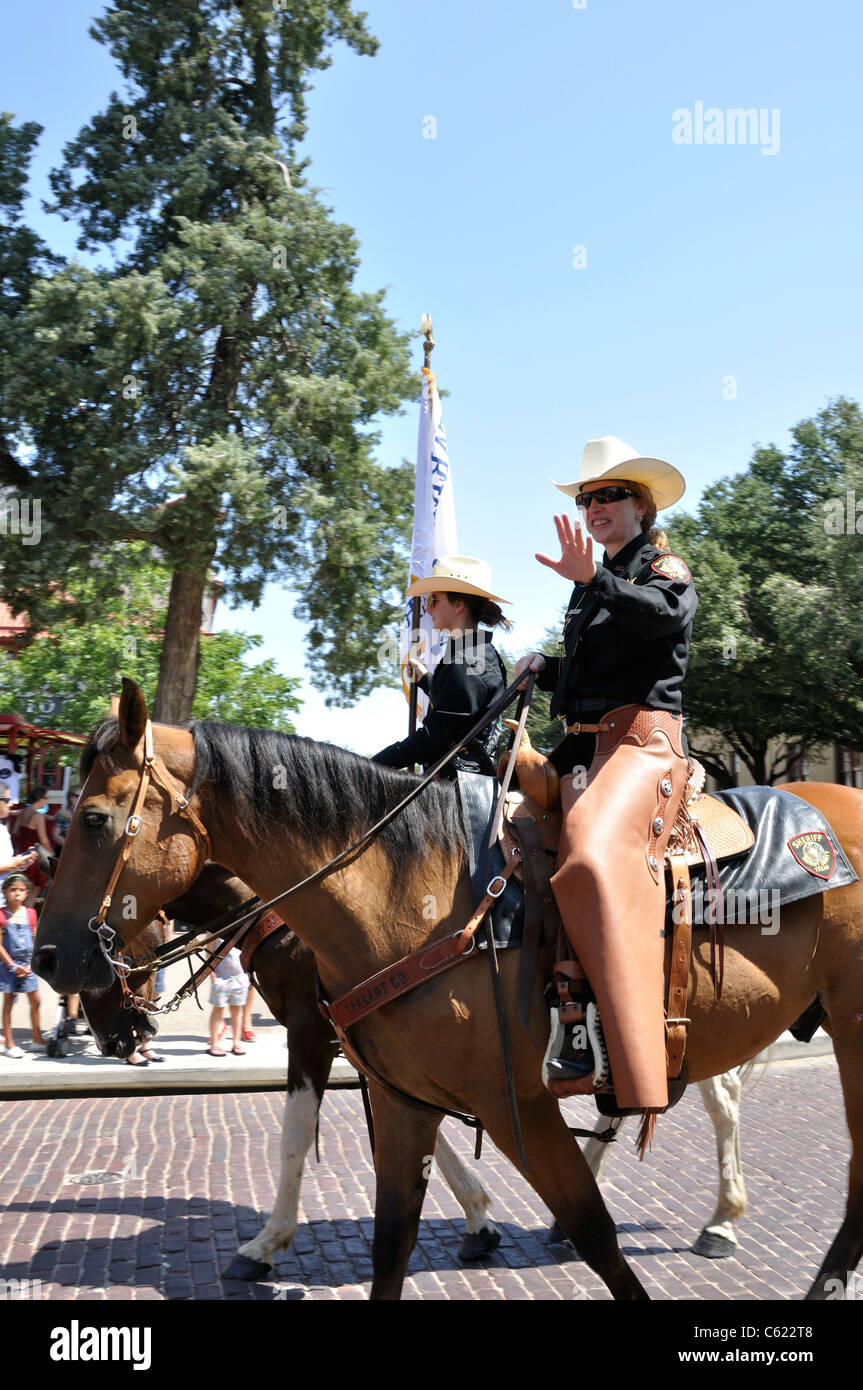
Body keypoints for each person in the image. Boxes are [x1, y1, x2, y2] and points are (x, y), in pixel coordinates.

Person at [514, 436, 698, 1119]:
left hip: (644, 744)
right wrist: (542, 667)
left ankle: (629, 1059)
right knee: (500, 823)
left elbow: (662, 623)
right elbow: (593, 675)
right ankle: (549, 998)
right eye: (586, 498)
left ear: (639, 506)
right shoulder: (591, 585)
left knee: (588, 849)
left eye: (607, 495)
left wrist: (592, 579)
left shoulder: (660, 565)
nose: (593, 507)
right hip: (582, 747)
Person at [373, 556, 511, 775]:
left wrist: (371, 767)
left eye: (434, 601)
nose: (429, 609)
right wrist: (427, 680)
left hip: (452, 791)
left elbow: (431, 739)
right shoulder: (483, 654)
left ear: (458, 605)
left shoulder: (462, 662)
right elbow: (460, 712)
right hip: (473, 783)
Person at [0, 872, 43, 1057]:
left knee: (36, 1000)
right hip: (9, 966)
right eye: (12, 890)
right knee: (9, 1002)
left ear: (27, 893)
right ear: (4, 892)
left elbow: (34, 939)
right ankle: (9, 1043)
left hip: (27, 966)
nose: (17, 893)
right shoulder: (1, 915)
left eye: (21, 890)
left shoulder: (31, 914)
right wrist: (11, 965)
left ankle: (37, 1038)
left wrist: (32, 964)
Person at [12, 785, 52, 906]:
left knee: (20, 890)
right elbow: (44, 840)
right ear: (40, 799)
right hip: (34, 856)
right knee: (33, 891)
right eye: (46, 798)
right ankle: (29, 922)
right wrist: (51, 853)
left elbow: (15, 831)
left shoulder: (23, 812)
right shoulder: (38, 816)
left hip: (22, 853)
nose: (47, 801)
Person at [206, 946, 249, 1056]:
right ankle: (215, 1043)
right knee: (218, 1009)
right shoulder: (214, 932)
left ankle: (236, 1042)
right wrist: (212, 975)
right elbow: (208, 952)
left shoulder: (241, 930)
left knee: (236, 1010)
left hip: (239, 978)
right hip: (221, 978)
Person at [0, 782, 37, 882]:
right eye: (7, 800)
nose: (11, 804)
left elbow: (4, 863)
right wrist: (13, 865)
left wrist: (21, 863)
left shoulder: (2, 829)